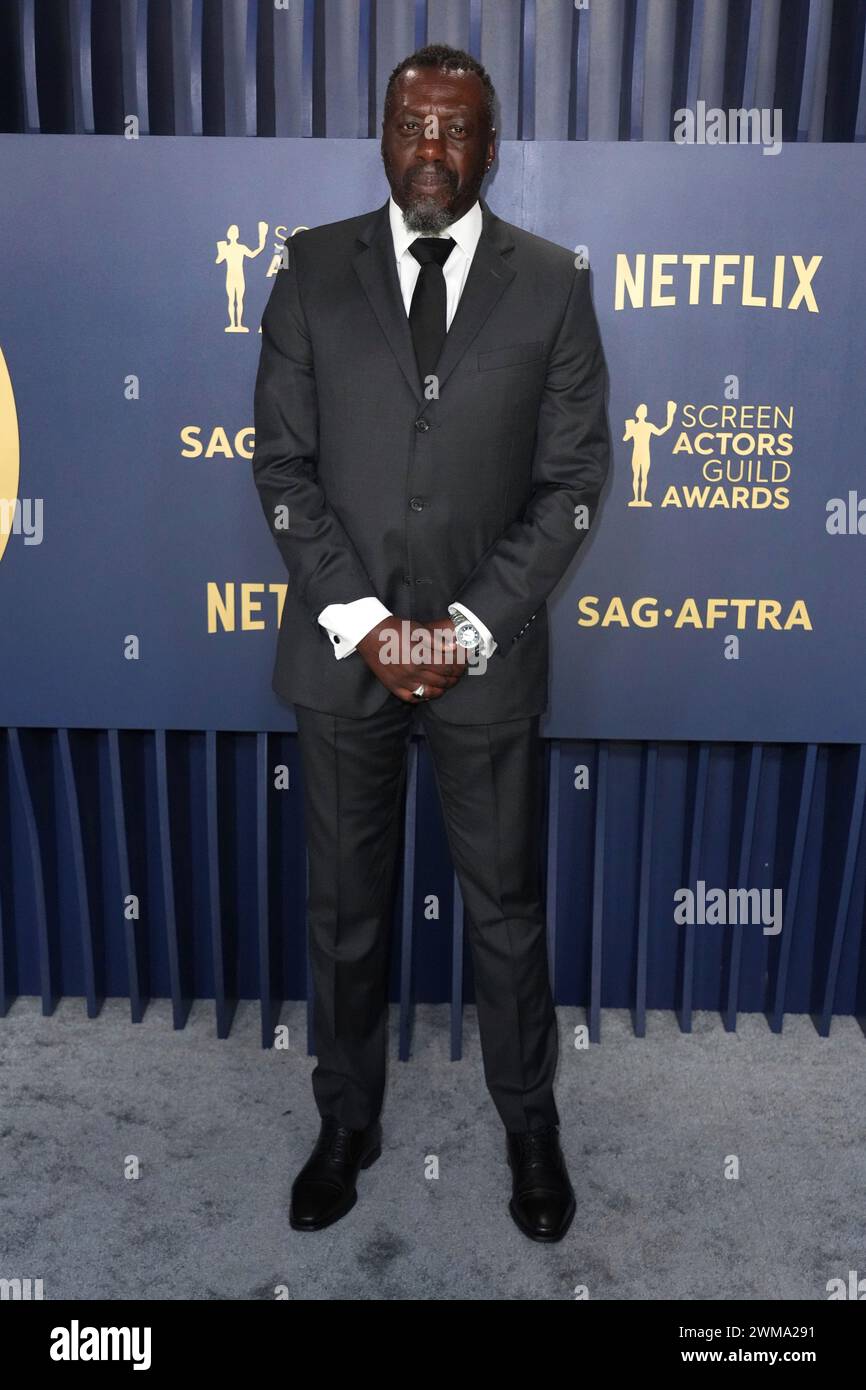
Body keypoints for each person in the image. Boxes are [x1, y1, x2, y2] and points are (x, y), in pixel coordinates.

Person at [252, 42, 611, 1243]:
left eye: (456, 130)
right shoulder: (308, 272)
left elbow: (569, 485)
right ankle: (345, 1118)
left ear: (491, 149)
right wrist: (368, 625)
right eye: (411, 123)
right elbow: (286, 470)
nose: (430, 149)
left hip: (484, 660)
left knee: (504, 909)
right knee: (345, 912)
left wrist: (458, 630)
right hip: (342, 655)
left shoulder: (553, 284)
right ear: (383, 133)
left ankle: (527, 1122)